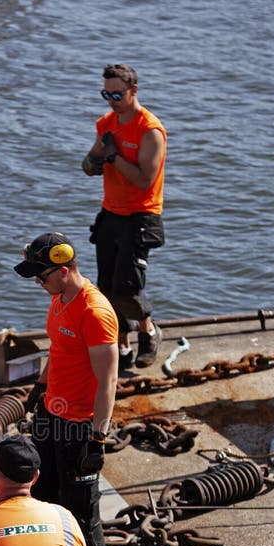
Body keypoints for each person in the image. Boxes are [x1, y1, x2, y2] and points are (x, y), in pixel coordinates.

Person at [13, 232, 118, 546]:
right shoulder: (59, 299)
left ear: (63, 269)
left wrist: (98, 440)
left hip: (79, 427)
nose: (38, 283)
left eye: (41, 276)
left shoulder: (95, 312)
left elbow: (108, 381)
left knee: (83, 511)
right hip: (51, 416)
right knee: (43, 496)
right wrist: (40, 387)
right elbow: (57, 350)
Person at [82, 63, 166, 370]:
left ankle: (149, 331)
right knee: (106, 288)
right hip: (110, 214)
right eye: (106, 93)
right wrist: (93, 162)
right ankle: (122, 344)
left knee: (126, 289)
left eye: (117, 94)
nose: (112, 100)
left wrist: (113, 157)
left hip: (141, 216)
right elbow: (90, 160)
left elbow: (145, 180)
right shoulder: (106, 123)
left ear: (133, 91)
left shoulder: (150, 130)